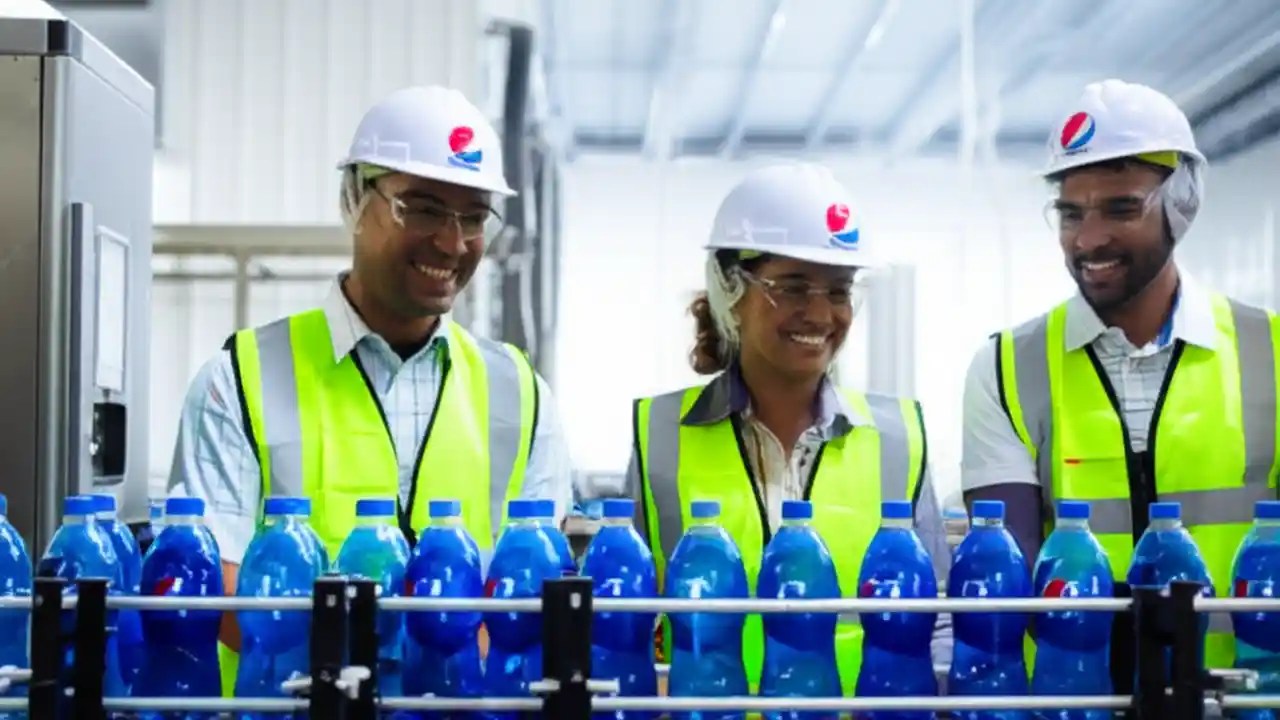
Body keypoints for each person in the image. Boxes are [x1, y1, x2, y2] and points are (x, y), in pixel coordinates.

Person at [167, 85, 574, 694]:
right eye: (424, 209)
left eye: (473, 216)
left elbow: (535, 592)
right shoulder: (241, 379)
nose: (452, 242)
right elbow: (216, 585)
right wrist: (370, 671)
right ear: (355, 200)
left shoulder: (520, 392)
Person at [961, 78, 1279, 669]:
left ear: (1181, 204)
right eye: (1070, 213)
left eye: (1121, 208)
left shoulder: (1273, 351)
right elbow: (1006, 577)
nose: (1088, 239)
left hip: (1243, 701)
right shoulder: (1006, 368)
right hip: (1075, 701)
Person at [623, 163, 951, 694]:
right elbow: (630, 621)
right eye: (793, 287)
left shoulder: (898, 437)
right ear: (731, 287)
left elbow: (937, 619)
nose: (820, 314)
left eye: (839, 291)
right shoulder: (662, 432)